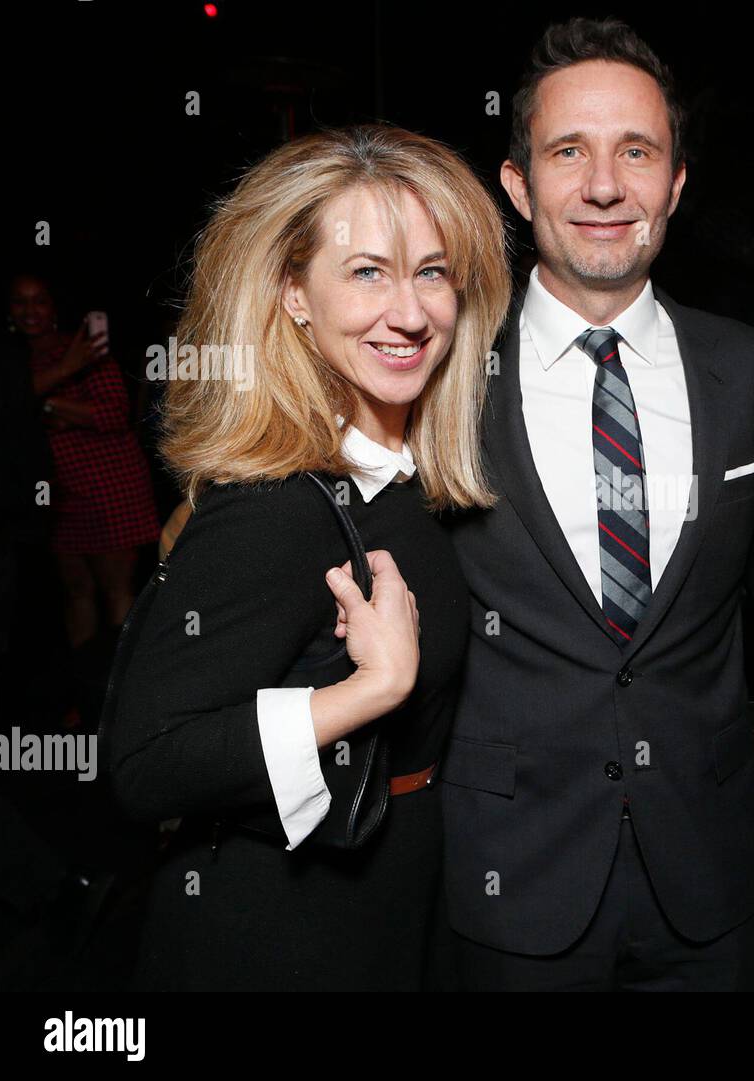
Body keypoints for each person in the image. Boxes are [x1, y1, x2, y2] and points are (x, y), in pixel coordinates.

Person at [104, 124, 510, 990]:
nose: (409, 312)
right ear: (294, 294)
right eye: (366, 271)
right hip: (279, 935)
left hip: (394, 901)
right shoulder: (279, 505)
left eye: (431, 271)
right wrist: (369, 691)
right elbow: (144, 764)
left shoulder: (407, 485)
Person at [436, 17, 754, 991]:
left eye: (635, 152)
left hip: (712, 878)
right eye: (568, 152)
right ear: (516, 184)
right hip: (510, 879)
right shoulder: (440, 377)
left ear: (675, 182)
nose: (603, 186)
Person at [10, 272, 160, 717]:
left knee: (116, 591)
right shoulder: (11, 358)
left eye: (39, 301)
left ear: (54, 308)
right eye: (20, 302)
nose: (30, 311)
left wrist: (50, 406)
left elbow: (115, 413)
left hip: (111, 487)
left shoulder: (84, 348)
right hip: (60, 493)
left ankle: (122, 699)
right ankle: (85, 693)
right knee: (76, 592)